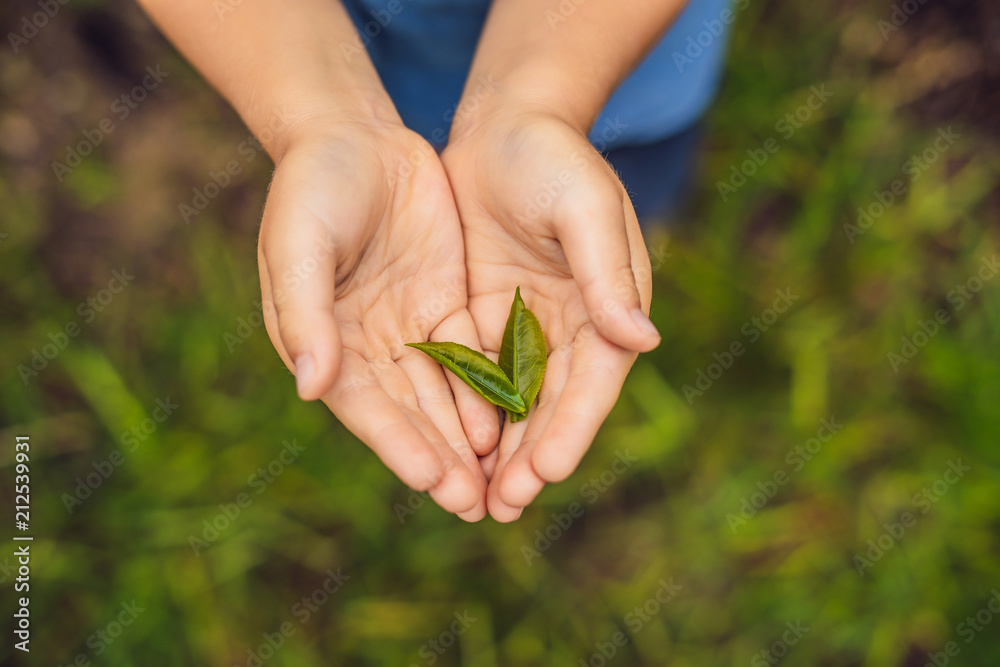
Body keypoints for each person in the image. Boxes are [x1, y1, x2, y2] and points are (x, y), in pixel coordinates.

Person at [137, 0, 732, 522]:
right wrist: (325, 120)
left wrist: (538, 104)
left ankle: (623, 237)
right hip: (347, 58)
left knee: (611, 211)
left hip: (612, 58)